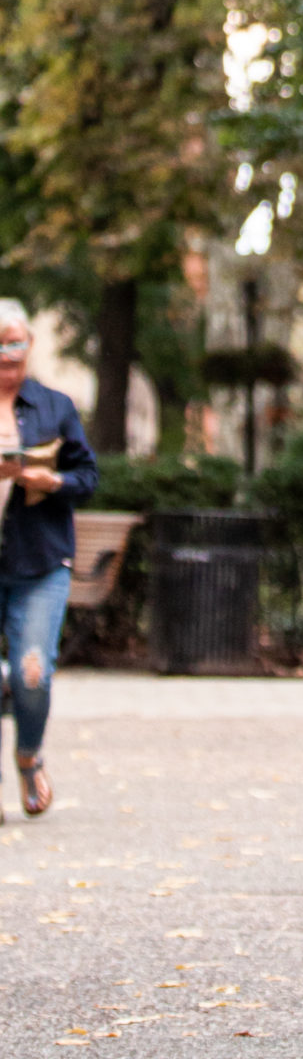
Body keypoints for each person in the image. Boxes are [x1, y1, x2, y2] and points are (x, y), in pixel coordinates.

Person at [0, 299, 99, 823]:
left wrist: (51, 480)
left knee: (32, 674)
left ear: (30, 345)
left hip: (39, 561)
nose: (7, 351)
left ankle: (28, 756)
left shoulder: (54, 406)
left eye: (15, 341)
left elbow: (88, 477)